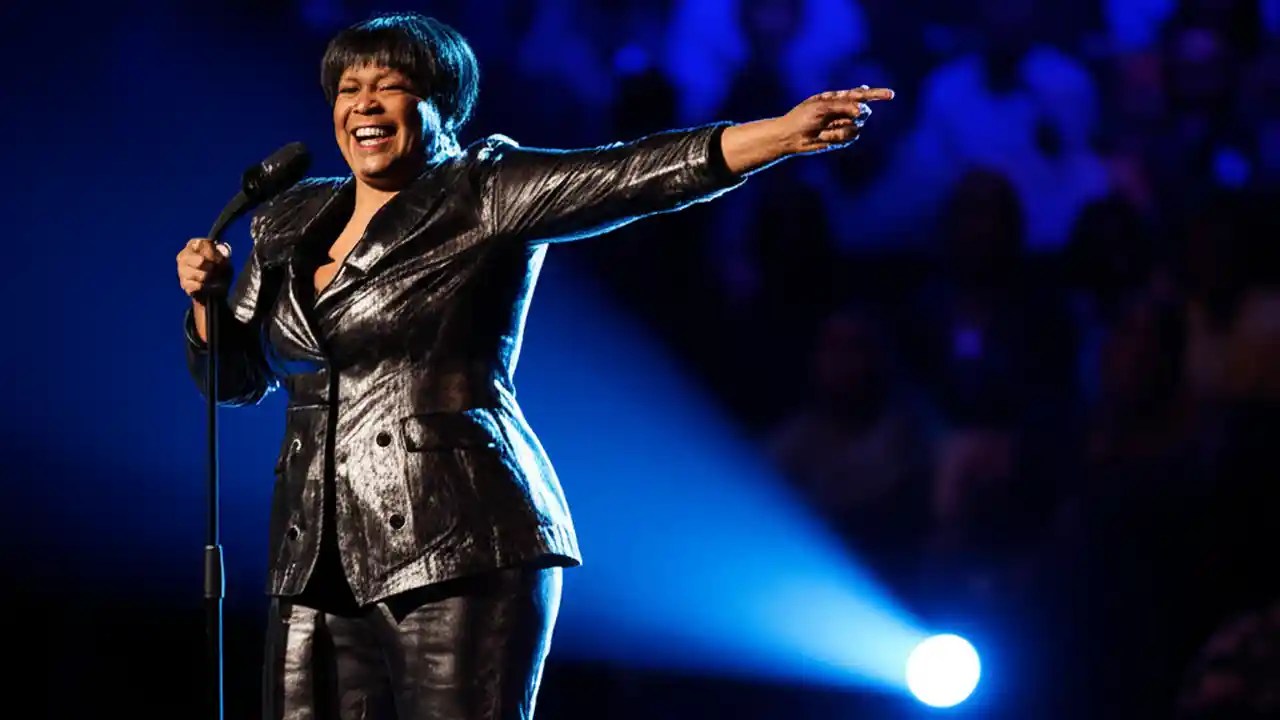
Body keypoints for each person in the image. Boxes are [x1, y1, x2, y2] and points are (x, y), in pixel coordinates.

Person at [175, 11, 892, 720]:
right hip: (313, 557)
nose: (363, 103)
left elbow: (627, 174)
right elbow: (234, 381)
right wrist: (207, 305)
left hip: (459, 541)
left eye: (389, 86)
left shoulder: (482, 190)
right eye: (347, 87)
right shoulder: (290, 222)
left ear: (442, 104)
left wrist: (776, 136)